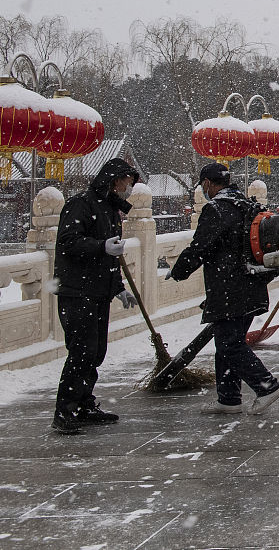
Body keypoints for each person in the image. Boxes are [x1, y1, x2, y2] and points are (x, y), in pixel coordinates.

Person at [168, 163, 279, 414]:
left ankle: (267, 386)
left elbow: (200, 247)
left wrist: (178, 271)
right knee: (229, 342)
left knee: (229, 344)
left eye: (203, 186)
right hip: (252, 283)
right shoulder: (247, 205)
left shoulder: (217, 209)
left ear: (208, 183)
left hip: (229, 287)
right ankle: (229, 399)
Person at [51, 158, 140, 434]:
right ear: (114, 180)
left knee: (96, 352)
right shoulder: (81, 204)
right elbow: (68, 242)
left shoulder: (111, 209)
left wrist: (118, 288)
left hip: (99, 292)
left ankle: (84, 404)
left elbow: (112, 256)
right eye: (126, 182)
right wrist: (100, 246)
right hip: (77, 292)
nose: (128, 187)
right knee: (82, 352)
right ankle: (64, 410)